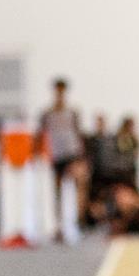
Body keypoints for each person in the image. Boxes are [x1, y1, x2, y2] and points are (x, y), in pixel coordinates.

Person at [40, 79, 87, 244]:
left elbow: (78, 132)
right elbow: (42, 134)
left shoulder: (72, 112)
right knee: (57, 192)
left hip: (71, 153)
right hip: (56, 155)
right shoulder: (47, 113)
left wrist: (81, 155)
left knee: (77, 186)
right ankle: (59, 226)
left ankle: (78, 222)